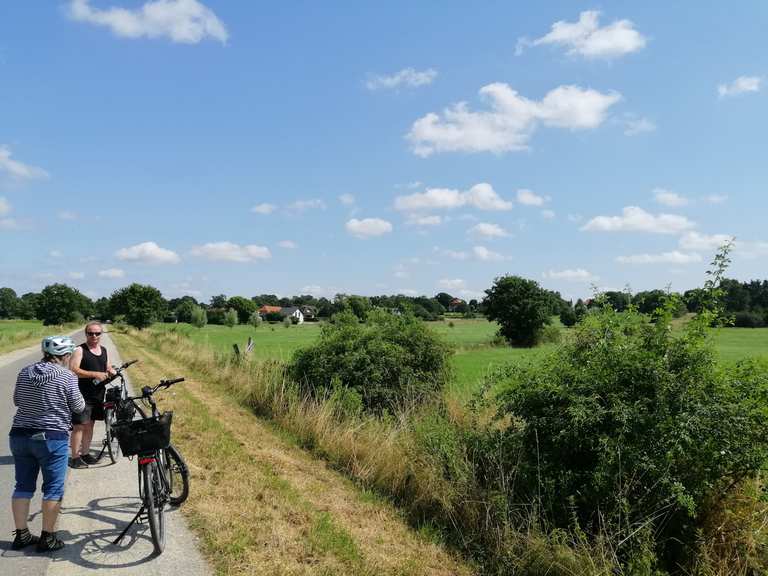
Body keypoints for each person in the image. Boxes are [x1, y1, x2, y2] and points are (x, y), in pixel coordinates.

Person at [9, 335, 85, 552]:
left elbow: (17, 400)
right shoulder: (67, 376)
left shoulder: (25, 371)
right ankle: (48, 537)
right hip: (51, 437)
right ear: (66, 355)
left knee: (22, 486)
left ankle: (22, 535)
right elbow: (78, 407)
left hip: (20, 435)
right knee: (53, 488)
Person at [69, 321, 115, 468]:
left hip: (98, 394)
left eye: (97, 333)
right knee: (79, 426)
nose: (94, 336)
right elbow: (74, 370)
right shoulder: (79, 350)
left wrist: (110, 370)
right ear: (86, 334)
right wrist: (94, 374)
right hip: (82, 394)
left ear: (101, 334)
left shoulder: (104, 350)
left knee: (90, 425)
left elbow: (105, 365)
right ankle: (75, 458)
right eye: (90, 333)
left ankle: (86, 454)